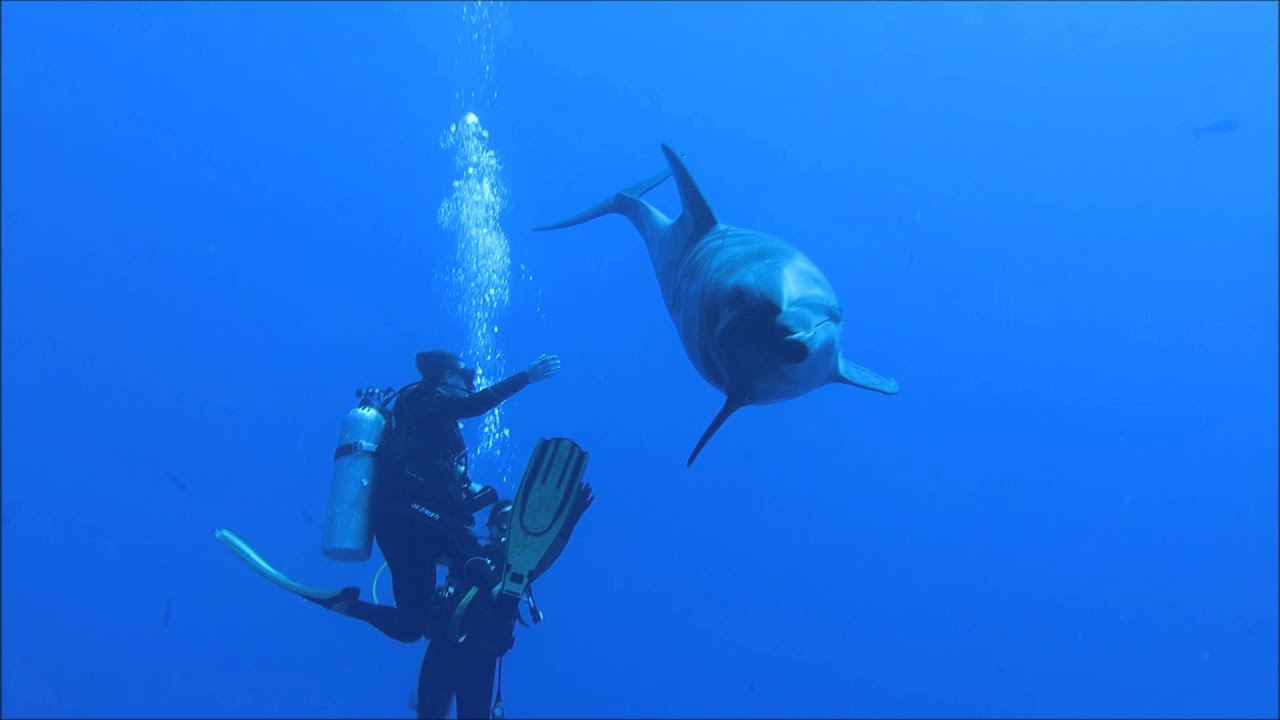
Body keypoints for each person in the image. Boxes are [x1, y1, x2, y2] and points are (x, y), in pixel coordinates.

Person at [310, 350, 561, 644]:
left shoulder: (439, 428)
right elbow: (476, 405)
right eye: (465, 377)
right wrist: (526, 377)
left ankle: (345, 604)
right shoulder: (420, 399)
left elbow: (446, 487)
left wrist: (476, 495)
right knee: (461, 536)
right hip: (408, 513)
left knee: (410, 627)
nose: (471, 383)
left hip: (406, 531)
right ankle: (496, 591)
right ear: (444, 376)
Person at [416, 483, 594, 720]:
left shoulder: (521, 570)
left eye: (513, 525)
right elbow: (432, 544)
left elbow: (549, 553)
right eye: (503, 521)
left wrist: (570, 518)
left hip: (481, 658)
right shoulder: (467, 551)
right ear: (492, 528)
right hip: (443, 646)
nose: (507, 530)